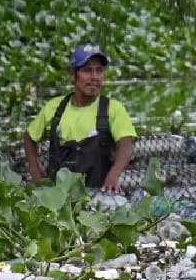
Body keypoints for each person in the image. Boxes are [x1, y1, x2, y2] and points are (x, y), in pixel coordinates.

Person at [23, 44, 137, 192]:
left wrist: (114, 175)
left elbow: (126, 144)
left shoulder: (113, 109)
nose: (94, 77)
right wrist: (34, 170)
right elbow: (29, 137)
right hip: (58, 194)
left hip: (99, 193)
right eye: (87, 71)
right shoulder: (54, 108)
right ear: (72, 74)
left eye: (99, 71)